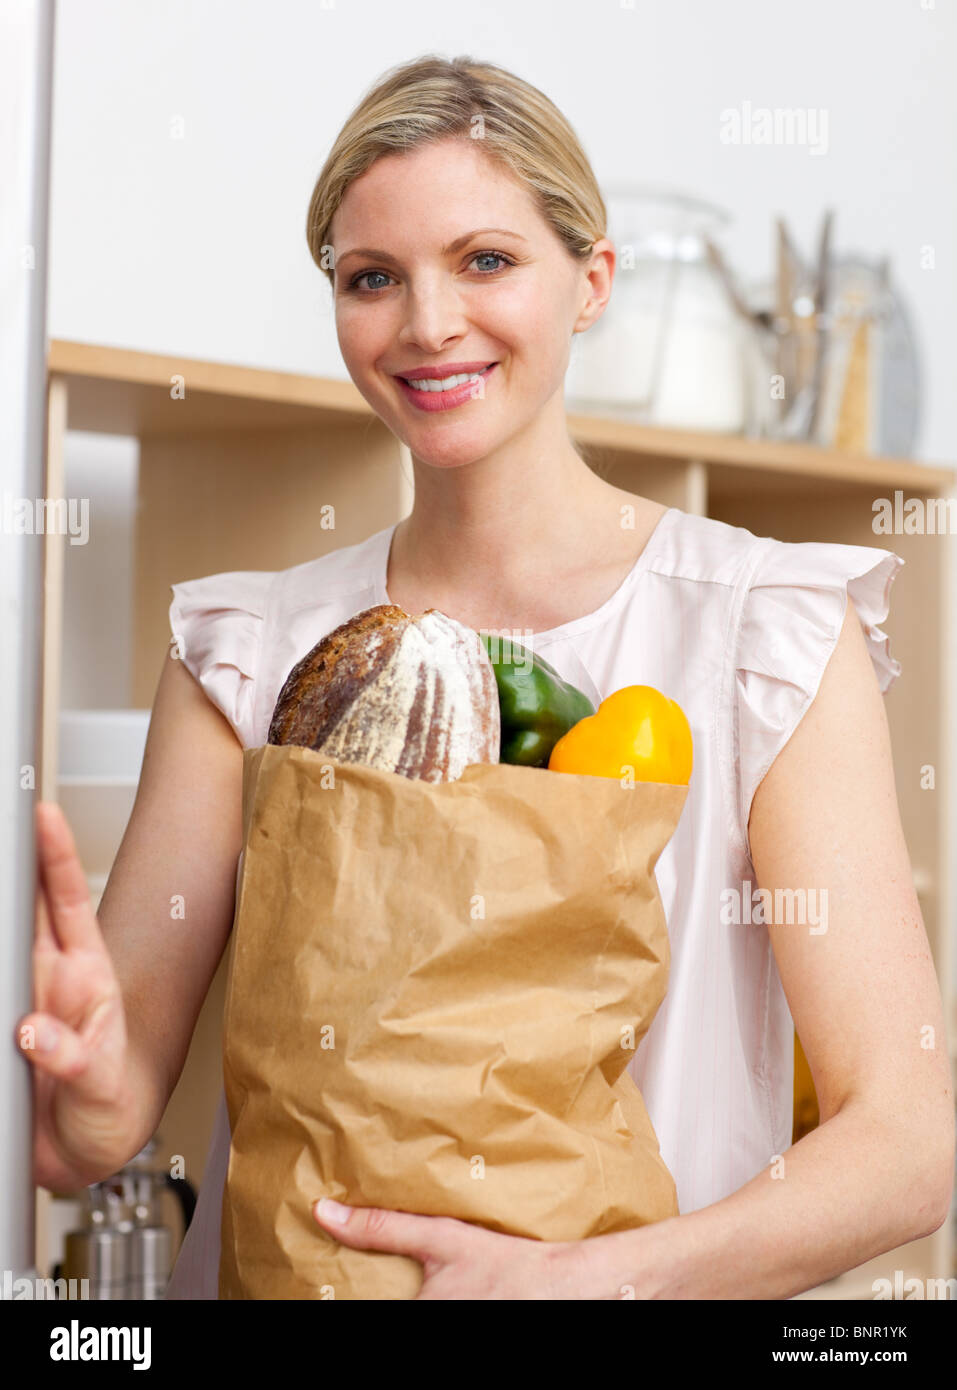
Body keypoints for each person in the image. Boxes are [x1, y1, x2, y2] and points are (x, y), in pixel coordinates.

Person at [21, 54, 954, 1301]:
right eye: (372, 279)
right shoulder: (245, 649)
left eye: (487, 260)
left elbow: (907, 1139)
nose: (427, 325)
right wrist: (80, 1089)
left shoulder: (761, 634)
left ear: (592, 282)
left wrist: (599, 1281)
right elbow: (98, 1129)